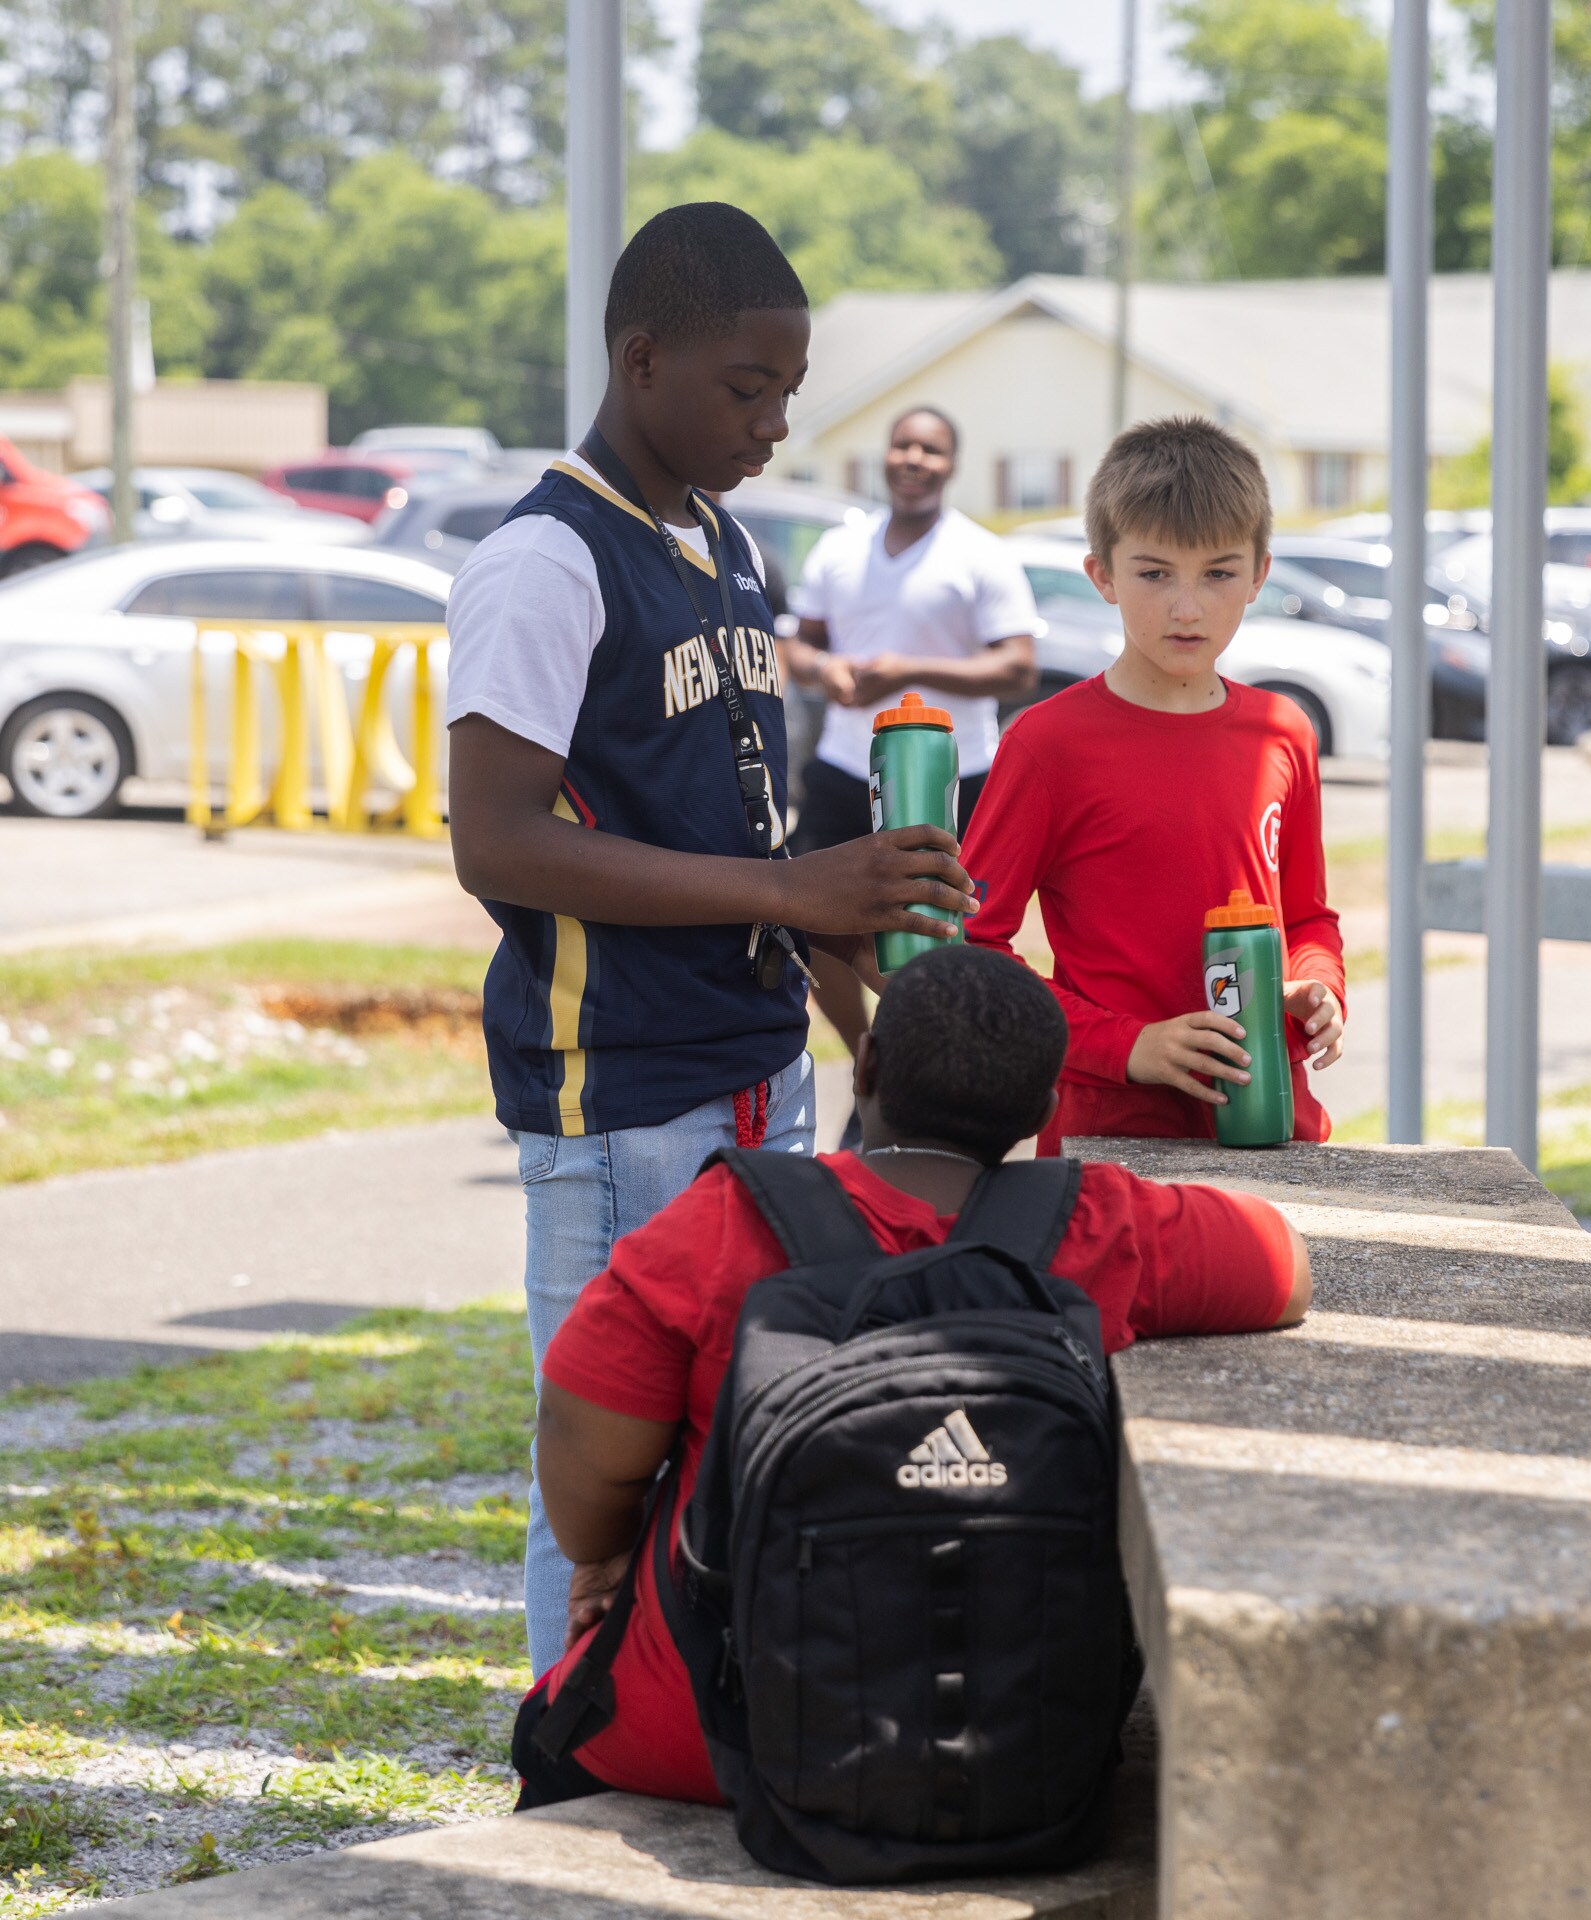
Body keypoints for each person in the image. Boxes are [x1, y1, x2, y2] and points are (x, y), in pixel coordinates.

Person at [444, 203, 978, 1679]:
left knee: (735, 1445)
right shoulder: (546, 560)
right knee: (602, 1475)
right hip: (625, 1093)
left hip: (755, 1071)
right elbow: (497, 842)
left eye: (788, 390)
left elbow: (744, 833)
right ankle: (573, 1761)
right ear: (641, 360)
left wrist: (865, 1002)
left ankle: (692, 1736)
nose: (774, 422)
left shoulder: (723, 540)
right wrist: (794, 894)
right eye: (747, 388)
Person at [529, 943, 1311, 1804]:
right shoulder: (1098, 1225)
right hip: (1009, 1746)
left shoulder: (722, 1223)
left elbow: (581, 1433)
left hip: (715, 1732)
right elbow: (1282, 1266)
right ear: (1042, 1108)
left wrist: (599, 1557)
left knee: (560, 1735)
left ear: (866, 1065)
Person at [961, 416, 1346, 1153]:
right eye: (1154, 573)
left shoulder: (1284, 731)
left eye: (1218, 574)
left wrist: (1317, 983)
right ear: (1102, 575)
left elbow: (1306, 918)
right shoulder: (1046, 744)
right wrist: (1127, 1045)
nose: (1186, 607)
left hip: (1273, 1125)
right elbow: (972, 949)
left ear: (1259, 574)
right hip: (1112, 1140)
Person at [781, 408, 1042, 1093]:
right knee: (812, 926)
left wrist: (910, 669)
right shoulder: (841, 548)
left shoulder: (979, 553)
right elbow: (799, 645)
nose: (914, 459)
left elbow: (1019, 665)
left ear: (952, 465)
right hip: (847, 767)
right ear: (885, 455)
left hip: (949, 777)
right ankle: (868, 1060)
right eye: (903, 445)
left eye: (931, 449)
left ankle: (933, 1080)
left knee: (939, 933)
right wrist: (824, 670)